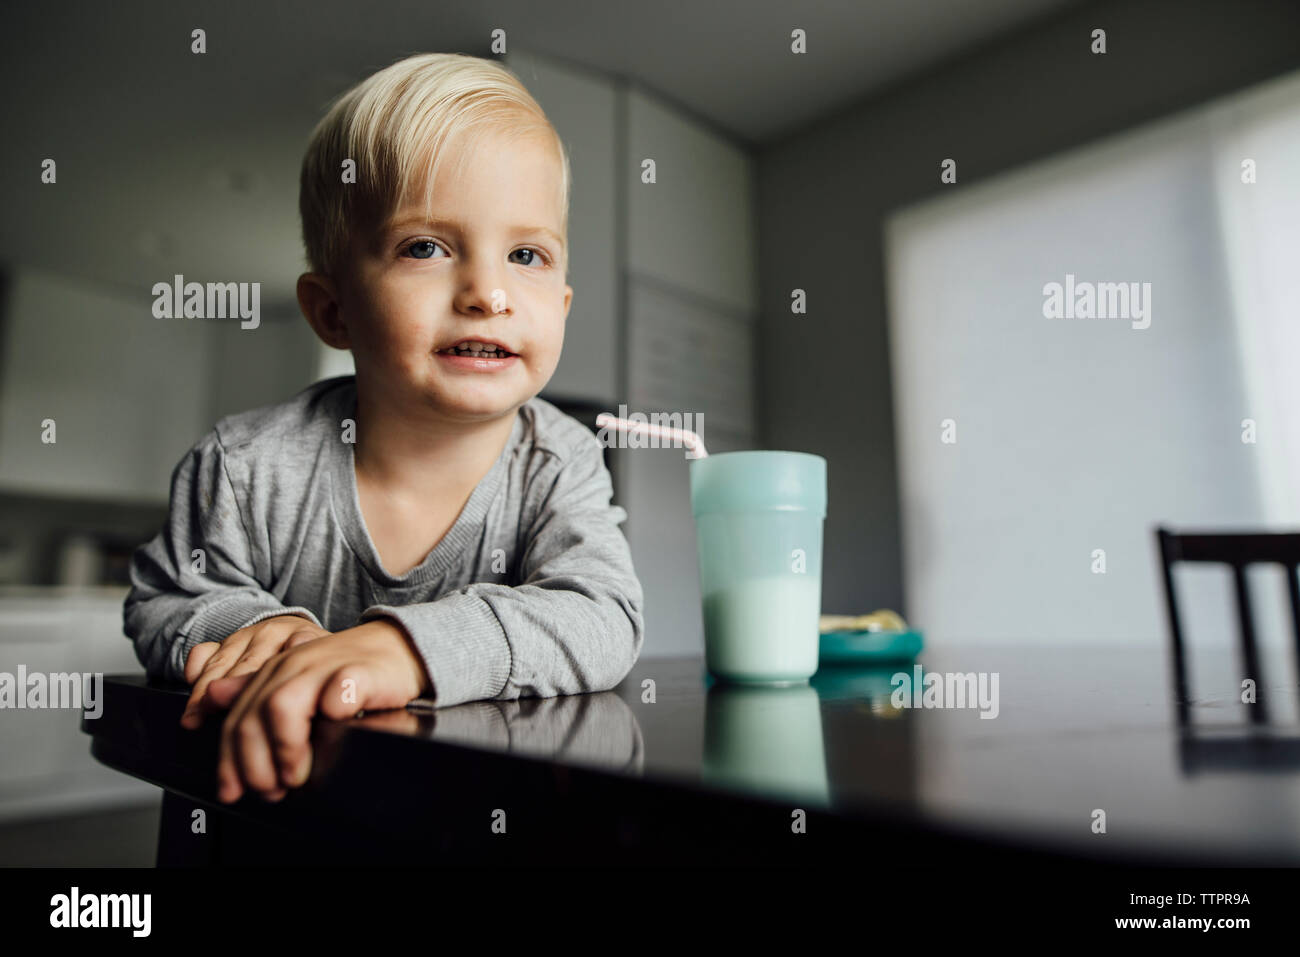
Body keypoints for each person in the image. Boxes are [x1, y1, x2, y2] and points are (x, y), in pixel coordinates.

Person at [122, 52, 644, 805]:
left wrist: (403, 648)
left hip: (457, 819)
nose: (488, 292)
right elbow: (163, 597)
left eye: (526, 254)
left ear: (559, 306)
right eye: (425, 247)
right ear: (332, 310)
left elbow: (602, 614)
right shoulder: (244, 466)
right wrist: (255, 631)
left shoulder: (560, 460)